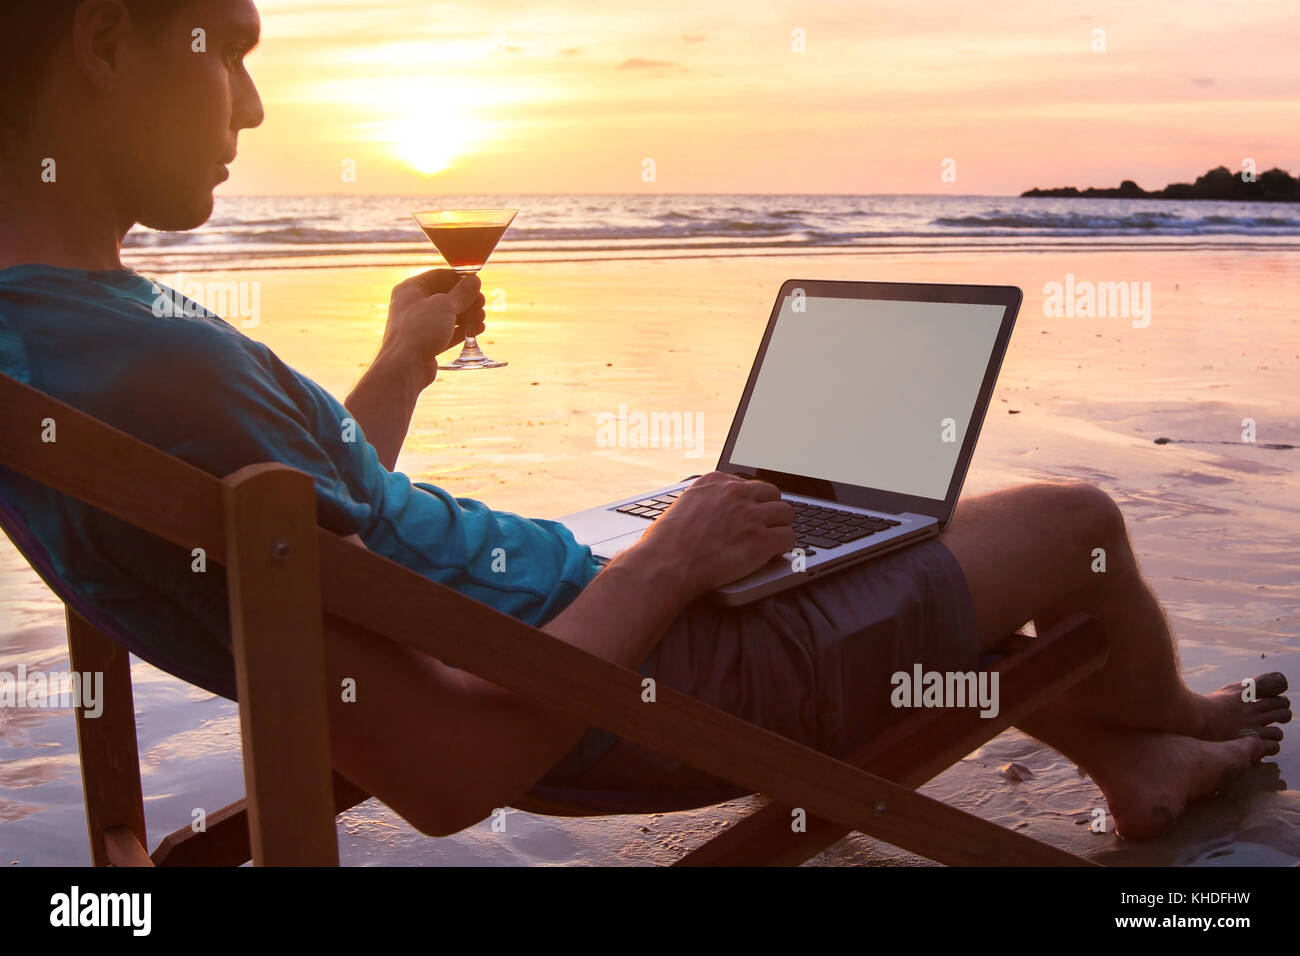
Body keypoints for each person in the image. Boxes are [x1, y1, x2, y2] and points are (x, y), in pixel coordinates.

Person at [0, 0, 1288, 845]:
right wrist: (669, 560)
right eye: (224, 47)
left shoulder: (54, 342)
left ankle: (1135, 765)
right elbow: (449, 770)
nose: (253, 103)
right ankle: (1164, 720)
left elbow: (294, 538)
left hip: (558, 616)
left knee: (863, 534)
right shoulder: (150, 368)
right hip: (626, 690)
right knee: (1076, 523)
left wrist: (399, 363)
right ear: (105, 42)